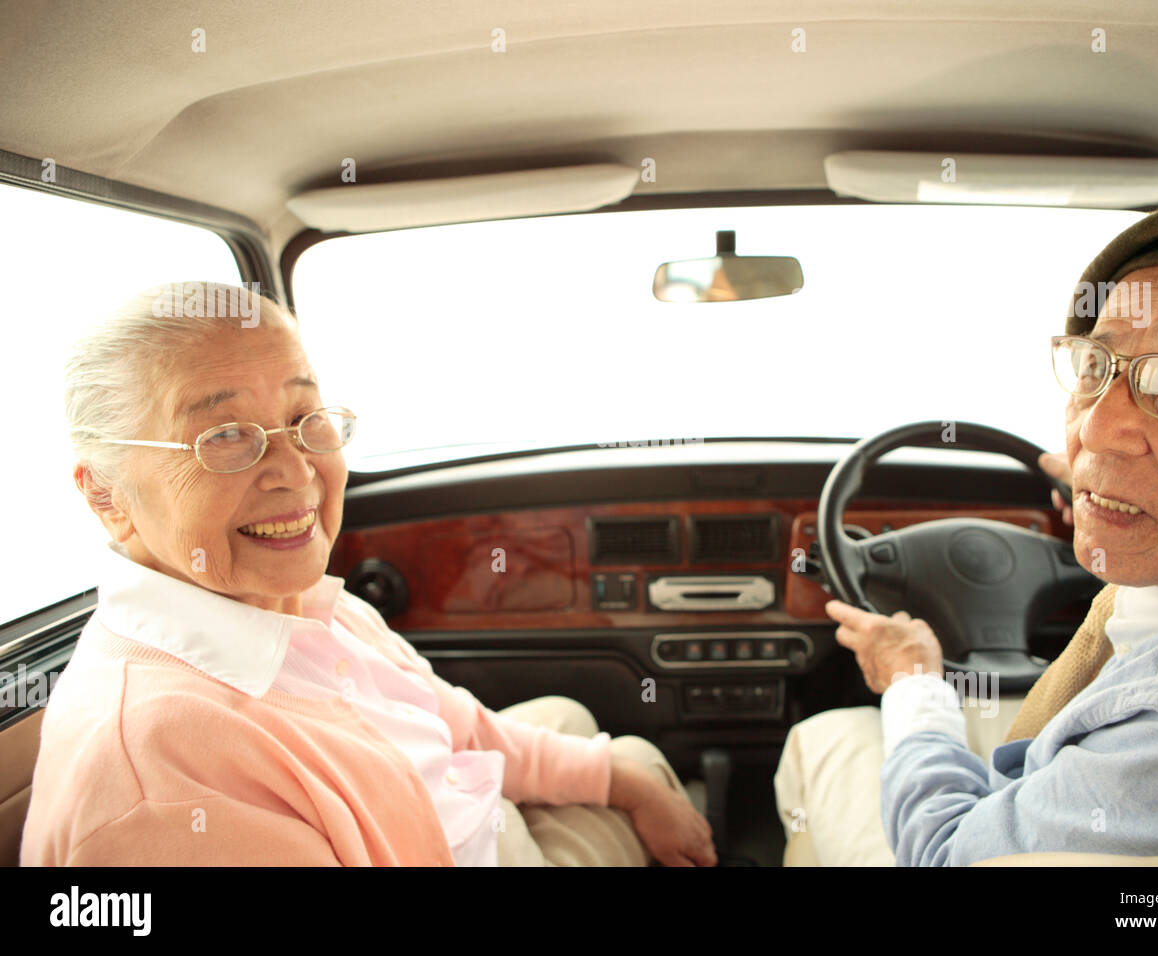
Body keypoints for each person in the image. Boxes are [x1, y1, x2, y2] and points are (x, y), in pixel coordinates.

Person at [21, 282, 715, 867]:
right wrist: (631, 782)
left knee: (580, 728)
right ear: (106, 496)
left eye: (304, 416)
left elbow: (447, 718)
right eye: (226, 436)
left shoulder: (301, 603)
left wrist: (616, 781)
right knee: (634, 754)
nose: (296, 471)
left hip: (458, 818)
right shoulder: (158, 788)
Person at [776, 198, 1158, 866]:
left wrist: (914, 681)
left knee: (823, 738)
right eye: (1096, 367)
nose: (1094, 431)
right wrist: (1107, 494)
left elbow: (947, 853)